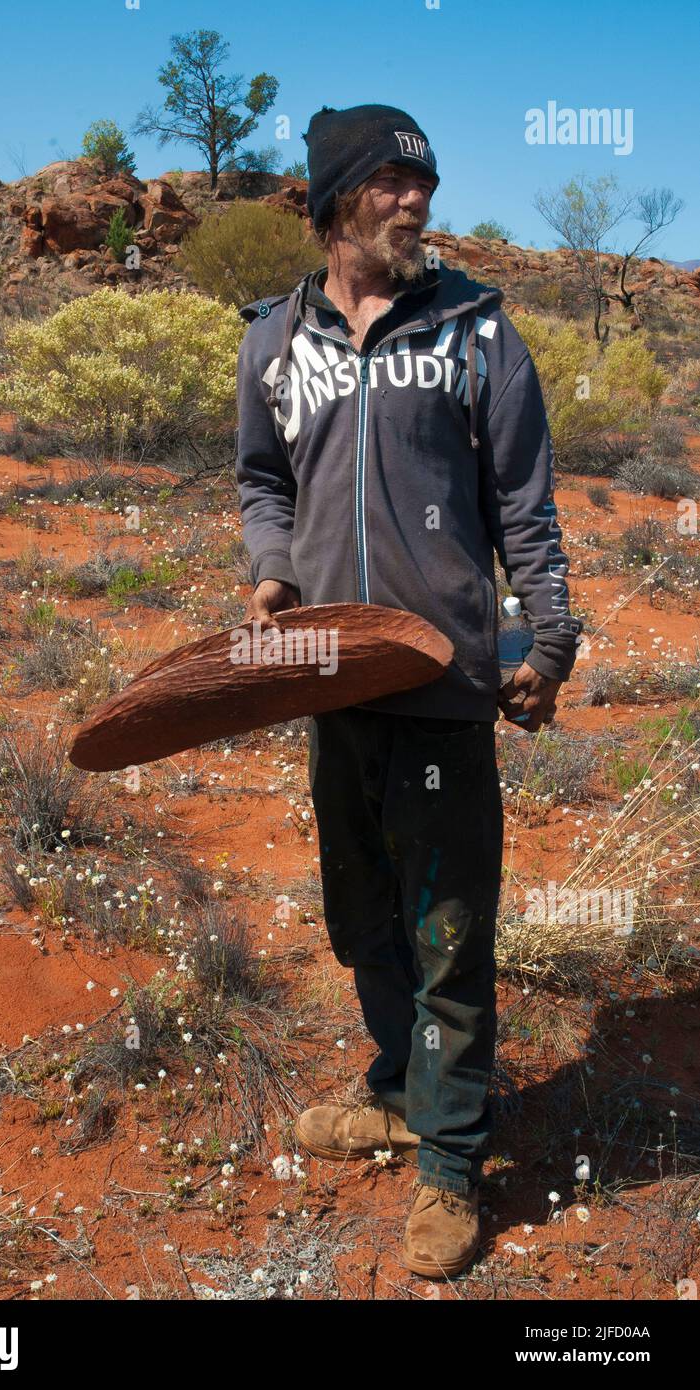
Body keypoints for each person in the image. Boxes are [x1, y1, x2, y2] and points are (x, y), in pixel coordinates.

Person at [234, 103, 582, 1279]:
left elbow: (524, 507)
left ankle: (447, 1159)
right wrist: (273, 572)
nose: (413, 202)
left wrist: (546, 638)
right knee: (362, 915)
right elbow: (260, 480)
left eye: (422, 184)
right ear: (334, 202)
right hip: (328, 676)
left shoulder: (477, 331)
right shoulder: (272, 342)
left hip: (440, 683)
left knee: (447, 929)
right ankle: (395, 1088)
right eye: (388, 183)